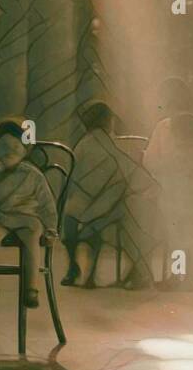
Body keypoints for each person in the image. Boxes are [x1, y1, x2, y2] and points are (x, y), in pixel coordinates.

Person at [61, 100, 159, 290]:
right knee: (107, 213)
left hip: (94, 199)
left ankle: (73, 267)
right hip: (104, 199)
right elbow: (127, 173)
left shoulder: (87, 143)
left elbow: (74, 176)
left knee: (72, 215)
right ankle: (82, 269)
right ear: (106, 122)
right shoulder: (104, 143)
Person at [0, 121, 58, 309]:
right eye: (3, 146)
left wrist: (51, 228)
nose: (9, 151)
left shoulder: (34, 175)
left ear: (25, 149)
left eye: (15, 146)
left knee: (31, 239)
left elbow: (47, 205)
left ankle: (31, 289)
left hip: (28, 218)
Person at [144, 78, 193, 289]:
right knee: (190, 236)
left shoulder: (164, 127)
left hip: (170, 190)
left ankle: (177, 277)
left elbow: (151, 161)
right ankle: (189, 277)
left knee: (175, 237)